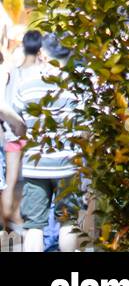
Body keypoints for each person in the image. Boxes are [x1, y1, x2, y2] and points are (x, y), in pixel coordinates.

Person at [12, 32, 82, 252]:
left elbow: (18, 121)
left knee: (34, 225)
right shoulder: (77, 86)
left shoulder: (27, 84)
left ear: (42, 53)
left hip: (36, 165)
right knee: (67, 221)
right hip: (67, 164)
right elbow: (86, 127)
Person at [1, 29, 42, 229]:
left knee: (10, 179)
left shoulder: (13, 71)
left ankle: (8, 219)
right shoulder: (40, 73)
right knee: (31, 180)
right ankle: (20, 218)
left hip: (11, 130)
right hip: (31, 131)